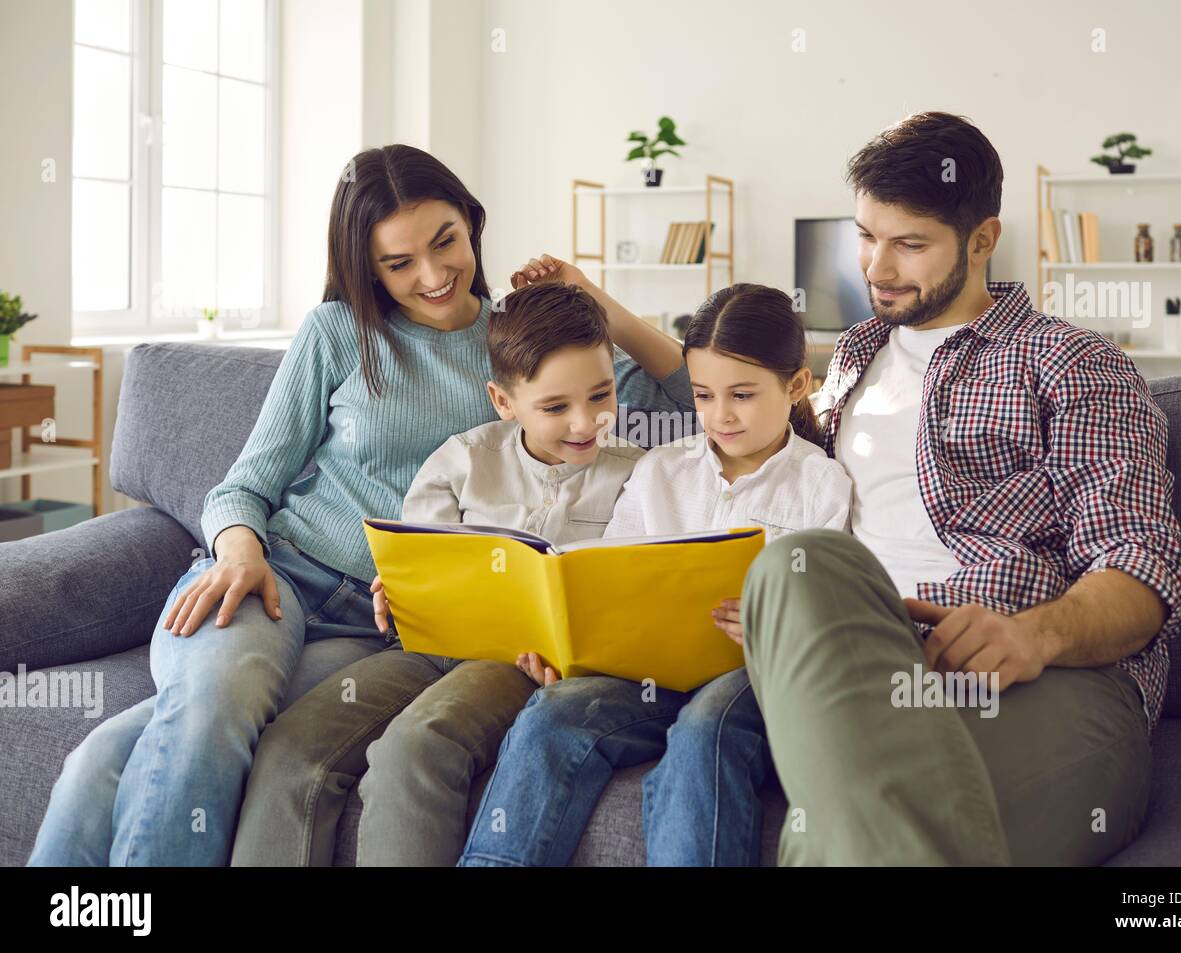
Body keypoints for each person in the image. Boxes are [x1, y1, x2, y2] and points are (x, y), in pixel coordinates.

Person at [27, 145, 693, 867]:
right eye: (398, 263)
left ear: (471, 224)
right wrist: (240, 551)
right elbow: (241, 485)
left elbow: (689, 405)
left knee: (108, 755)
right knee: (200, 711)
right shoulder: (337, 332)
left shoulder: (520, 341)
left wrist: (595, 299)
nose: (434, 276)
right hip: (276, 576)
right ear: (365, 265)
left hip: (379, 626)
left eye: (446, 243)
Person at [737, 111, 1181, 865]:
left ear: (983, 239)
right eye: (865, 237)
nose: (875, 269)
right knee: (799, 565)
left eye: (910, 244)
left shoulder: (1069, 362)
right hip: (865, 663)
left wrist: (1033, 635)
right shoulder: (849, 358)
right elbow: (724, 397)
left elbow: (1142, 568)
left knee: (875, 837)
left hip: (1041, 675)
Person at [458, 282, 852, 867]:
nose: (720, 415)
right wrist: (566, 648)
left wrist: (782, 619)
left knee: (705, 730)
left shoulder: (822, 484)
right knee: (551, 717)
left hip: (751, 674)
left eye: (742, 395)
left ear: (797, 385)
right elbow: (608, 571)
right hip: (647, 671)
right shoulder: (661, 470)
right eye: (703, 394)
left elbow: (835, 606)